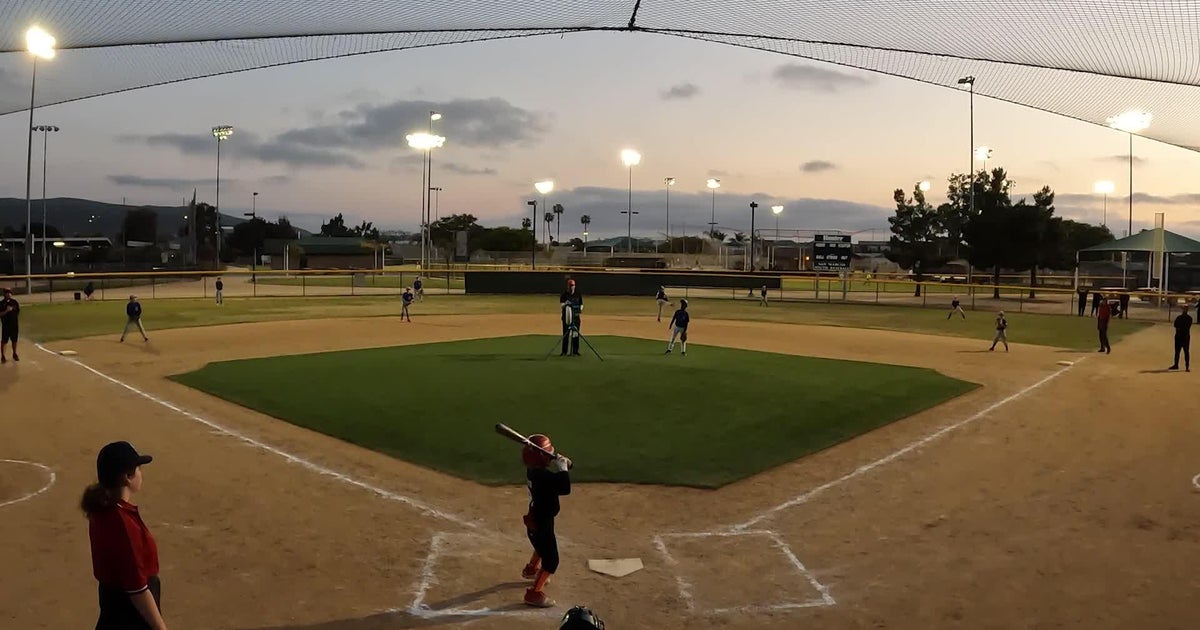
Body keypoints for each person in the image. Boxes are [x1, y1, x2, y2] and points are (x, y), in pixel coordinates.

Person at [81, 441, 168, 630]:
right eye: (138, 469)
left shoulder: (103, 510)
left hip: (113, 606)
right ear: (127, 477)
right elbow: (137, 589)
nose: (141, 473)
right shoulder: (122, 522)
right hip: (130, 614)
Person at [520, 434, 572, 608]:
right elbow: (564, 487)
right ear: (542, 457)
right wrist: (562, 468)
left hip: (537, 521)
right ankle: (534, 593)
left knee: (542, 546)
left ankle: (531, 569)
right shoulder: (543, 477)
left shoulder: (534, 473)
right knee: (551, 561)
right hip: (541, 522)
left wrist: (561, 465)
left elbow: (555, 480)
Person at [559, 279, 583, 356]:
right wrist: (566, 303)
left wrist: (580, 309)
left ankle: (575, 351)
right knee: (565, 334)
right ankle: (564, 351)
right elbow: (561, 305)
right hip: (566, 317)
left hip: (576, 317)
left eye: (573, 286)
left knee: (575, 334)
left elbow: (581, 304)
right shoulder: (564, 295)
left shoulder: (578, 294)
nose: (571, 287)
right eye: (570, 286)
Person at [1170, 304, 1192, 371]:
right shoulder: (1189, 318)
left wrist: (1179, 328)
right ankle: (1186, 366)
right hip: (1185, 337)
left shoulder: (1179, 317)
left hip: (1180, 336)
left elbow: (1176, 325)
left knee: (1180, 352)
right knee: (1185, 352)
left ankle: (1178, 365)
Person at [1, 287, 19, 363]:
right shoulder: (1, 303)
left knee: (14, 340)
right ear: (4, 294)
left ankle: (14, 353)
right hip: (6, 325)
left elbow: (17, 312)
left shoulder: (14, 302)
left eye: (10, 293)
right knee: (4, 341)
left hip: (14, 325)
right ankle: (3, 356)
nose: (9, 294)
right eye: (7, 293)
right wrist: (6, 311)